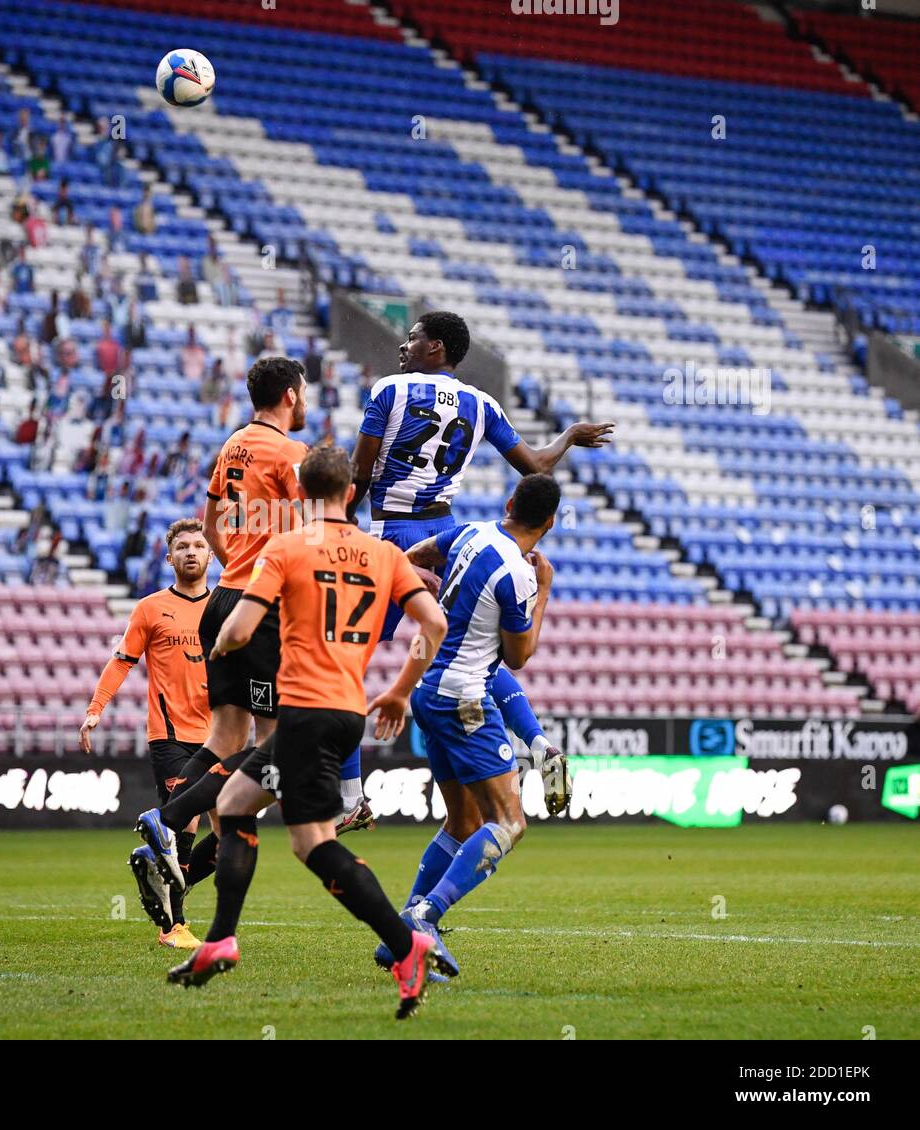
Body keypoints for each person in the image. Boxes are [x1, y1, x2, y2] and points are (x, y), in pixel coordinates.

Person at [165, 441, 452, 1019]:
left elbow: (241, 629)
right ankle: (222, 939)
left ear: (300, 494)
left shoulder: (287, 546)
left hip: (303, 713)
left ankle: (405, 944)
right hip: (345, 714)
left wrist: (221, 644)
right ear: (351, 494)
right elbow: (435, 621)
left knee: (312, 843)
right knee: (238, 802)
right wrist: (399, 689)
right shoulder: (384, 554)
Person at [342, 311, 614, 816]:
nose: (404, 345)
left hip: (392, 533)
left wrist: (339, 529)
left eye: (413, 337)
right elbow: (535, 465)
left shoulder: (390, 391)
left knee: (341, 652)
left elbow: (359, 473)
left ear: (436, 347)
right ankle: (537, 745)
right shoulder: (481, 403)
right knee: (474, 655)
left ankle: (350, 796)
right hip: (446, 535)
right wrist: (570, 436)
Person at [372, 476, 569, 972]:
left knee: (461, 823)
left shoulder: (467, 533)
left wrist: (430, 590)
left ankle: (398, 936)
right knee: (508, 822)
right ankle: (425, 915)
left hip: (429, 693)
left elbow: (413, 554)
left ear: (508, 505)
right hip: (464, 701)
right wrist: (543, 591)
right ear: (548, 524)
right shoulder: (520, 577)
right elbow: (519, 657)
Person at [134, 358, 310, 886]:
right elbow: (311, 534)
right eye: (303, 393)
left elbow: (210, 524)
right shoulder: (289, 452)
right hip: (260, 606)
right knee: (275, 754)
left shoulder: (233, 444)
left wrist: (238, 558)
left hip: (223, 598)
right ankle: (168, 823)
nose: (306, 402)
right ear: (289, 395)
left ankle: (167, 834)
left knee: (225, 737)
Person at [81, 519, 214, 950]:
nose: (191, 552)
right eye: (182, 547)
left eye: (199, 545)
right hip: (171, 736)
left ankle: (155, 871)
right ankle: (173, 927)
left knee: (235, 837)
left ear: (211, 555)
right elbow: (122, 661)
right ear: (168, 557)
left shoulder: (228, 607)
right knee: (183, 826)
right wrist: (95, 709)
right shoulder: (151, 608)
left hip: (221, 737)